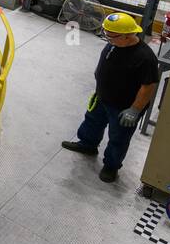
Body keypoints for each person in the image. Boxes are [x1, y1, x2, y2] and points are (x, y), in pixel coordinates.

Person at [61, 12, 159, 182]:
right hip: (102, 98)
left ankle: (111, 166)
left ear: (128, 35)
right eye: (106, 35)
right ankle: (88, 145)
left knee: (118, 137)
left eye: (111, 36)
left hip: (124, 107)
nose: (108, 39)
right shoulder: (115, 43)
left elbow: (148, 87)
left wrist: (134, 110)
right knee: (92, 122)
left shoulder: (145, 57)